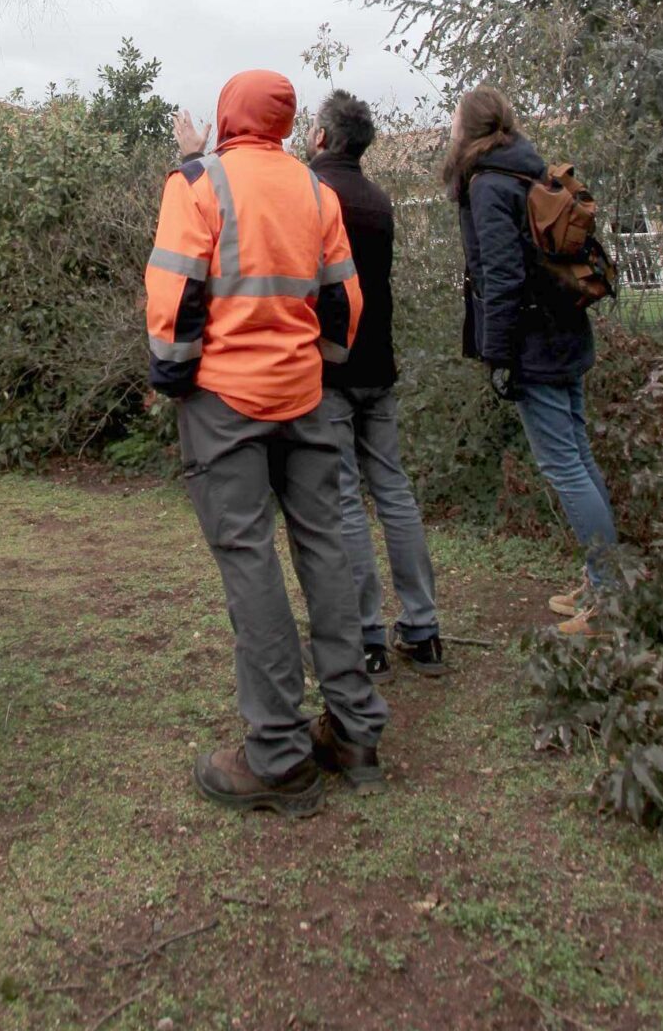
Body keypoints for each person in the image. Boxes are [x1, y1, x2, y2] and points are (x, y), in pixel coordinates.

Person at [146, 70, 389, 816]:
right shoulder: (313, 191)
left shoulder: (196, 183)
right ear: (287, 125)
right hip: (306, 395)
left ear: (226, 115)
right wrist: (319, 368)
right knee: (325, 548)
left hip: (224, 401)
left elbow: (174, 294)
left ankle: (278, 752)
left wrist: (175, 377)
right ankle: (353, 733)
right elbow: (344, 302)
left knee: (248, 559)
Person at [446, 84, 617, 634]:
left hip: (535, 343)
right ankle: (601, 581)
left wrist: (497, 355)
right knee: (578, 454)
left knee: (564, 465)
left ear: (467, 131)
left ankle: (610, 600)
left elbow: (501, 275)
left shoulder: (489, 184)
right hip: (567, 329)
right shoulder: (530, 170)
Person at [309, 89, 444, 679]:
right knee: (393, 491)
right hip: (378, 366)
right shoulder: (379, 199)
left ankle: (367, 637)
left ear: (320, 138)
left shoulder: (313, 195)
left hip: (332, 369)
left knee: (343, 499)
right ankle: (424, 627)